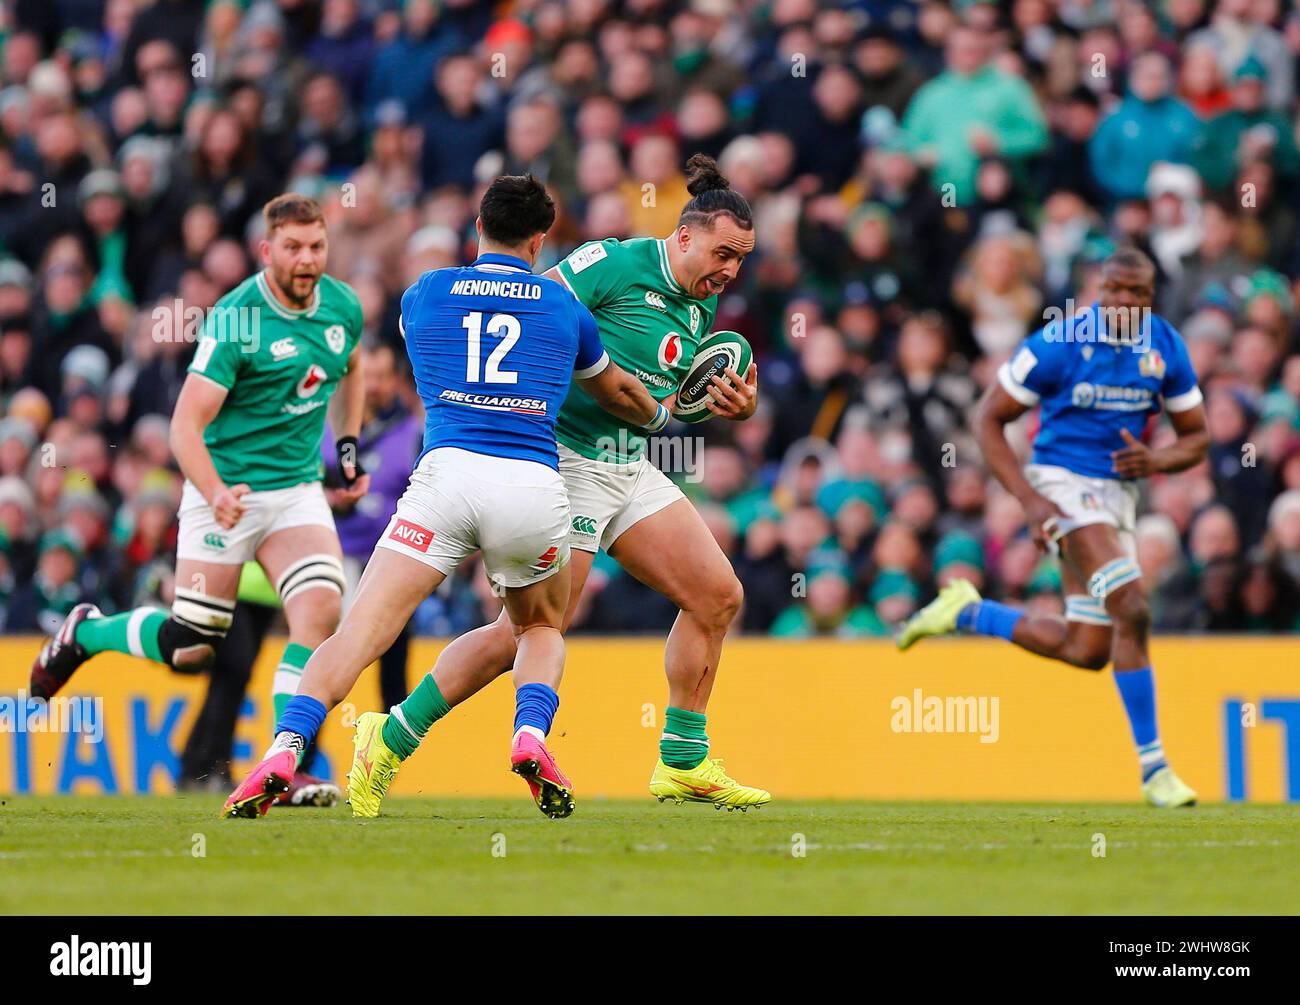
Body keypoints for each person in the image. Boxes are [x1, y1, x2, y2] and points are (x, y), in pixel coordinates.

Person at [222, 174, 667, 819]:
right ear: (541, 241)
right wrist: (664, 413)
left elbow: (441, 355)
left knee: (361, 631)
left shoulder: (424, 293)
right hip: (532, 483)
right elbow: (617, 395)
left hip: (446, 477)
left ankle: (285, 750)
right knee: (539, 624)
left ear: (476, 228)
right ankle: (530, 734)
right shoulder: (563, 307)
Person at [393, 154, 772, 810]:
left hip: (628, 461)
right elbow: (541, 325)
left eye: (741, 259)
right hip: (565, 459)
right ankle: (395, 731)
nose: (731, 271)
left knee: (717, 595)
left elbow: (668, 399)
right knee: (537, 626)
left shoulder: (697, 311)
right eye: (723, 253)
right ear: (684, 237)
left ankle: (682, 760)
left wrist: (727, 406)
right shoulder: (612, 263)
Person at [30, 194, 369, 802]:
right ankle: (88, 634)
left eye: (316, 246)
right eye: (293, 247)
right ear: (267, 251)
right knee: (191, 649)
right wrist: (214, 492)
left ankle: (281, 764)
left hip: (294, 491)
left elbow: (351, 372)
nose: (307, 259)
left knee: (320, 613)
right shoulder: (236, 318)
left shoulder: (343, 306)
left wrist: (346, 450)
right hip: (225, 487)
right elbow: (183, 426)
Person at [898, 249, 1209, 808]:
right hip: (1061, 484)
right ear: (1096, 289)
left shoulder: (1165, 347)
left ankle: (968, 612)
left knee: (1088, 648)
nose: (1120, 300)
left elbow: (1197, 437)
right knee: (1133, 608)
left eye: (1133, 292)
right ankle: (1155, 770)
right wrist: (1030, 500)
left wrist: (1157, 462)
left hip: (1117, 499)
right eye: (1111, 288)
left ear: (1149, 298)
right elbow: (987, 418)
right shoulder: (1058, 342)